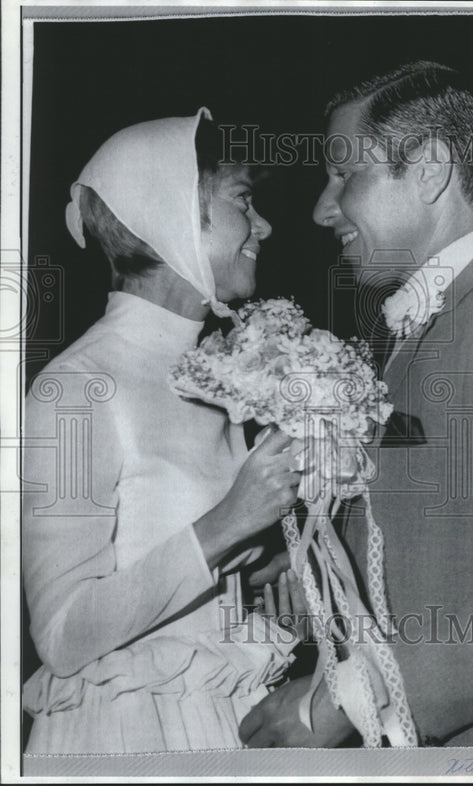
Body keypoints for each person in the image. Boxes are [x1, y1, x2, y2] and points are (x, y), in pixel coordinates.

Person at [240, 61, 473, 747]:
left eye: (344, 175)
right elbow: (428, 544)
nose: (323, 209)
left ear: (431, 170)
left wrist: (333, 705)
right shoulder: (418, 329)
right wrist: (316, 582)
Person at [23, 108, 304, 753]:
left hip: (229, 714)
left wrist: (269, 579)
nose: (264, 226)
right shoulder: (74, 388)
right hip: (127, 731)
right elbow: (62, 635)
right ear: (173, 214)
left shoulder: (216, 374)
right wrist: (229, 523)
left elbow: (175, 573)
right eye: (244, 201)